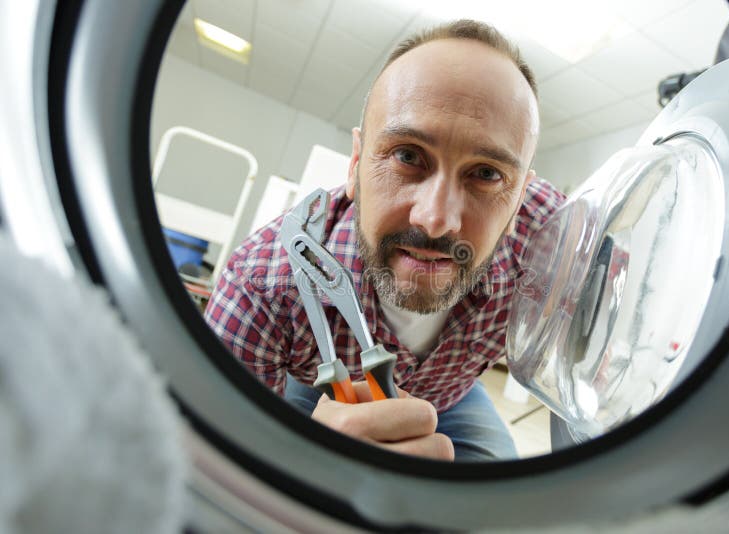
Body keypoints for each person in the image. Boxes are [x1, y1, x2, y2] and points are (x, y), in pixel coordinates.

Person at [204, 19, 564, 461]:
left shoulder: (554, 231)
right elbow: (214, 462)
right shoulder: (259, 289)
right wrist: (305, 467)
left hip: (454, 398)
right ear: (355, 163)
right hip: (325, 393)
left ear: (520, 199)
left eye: (487, 173)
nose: (435, 221)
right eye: (408, 156)